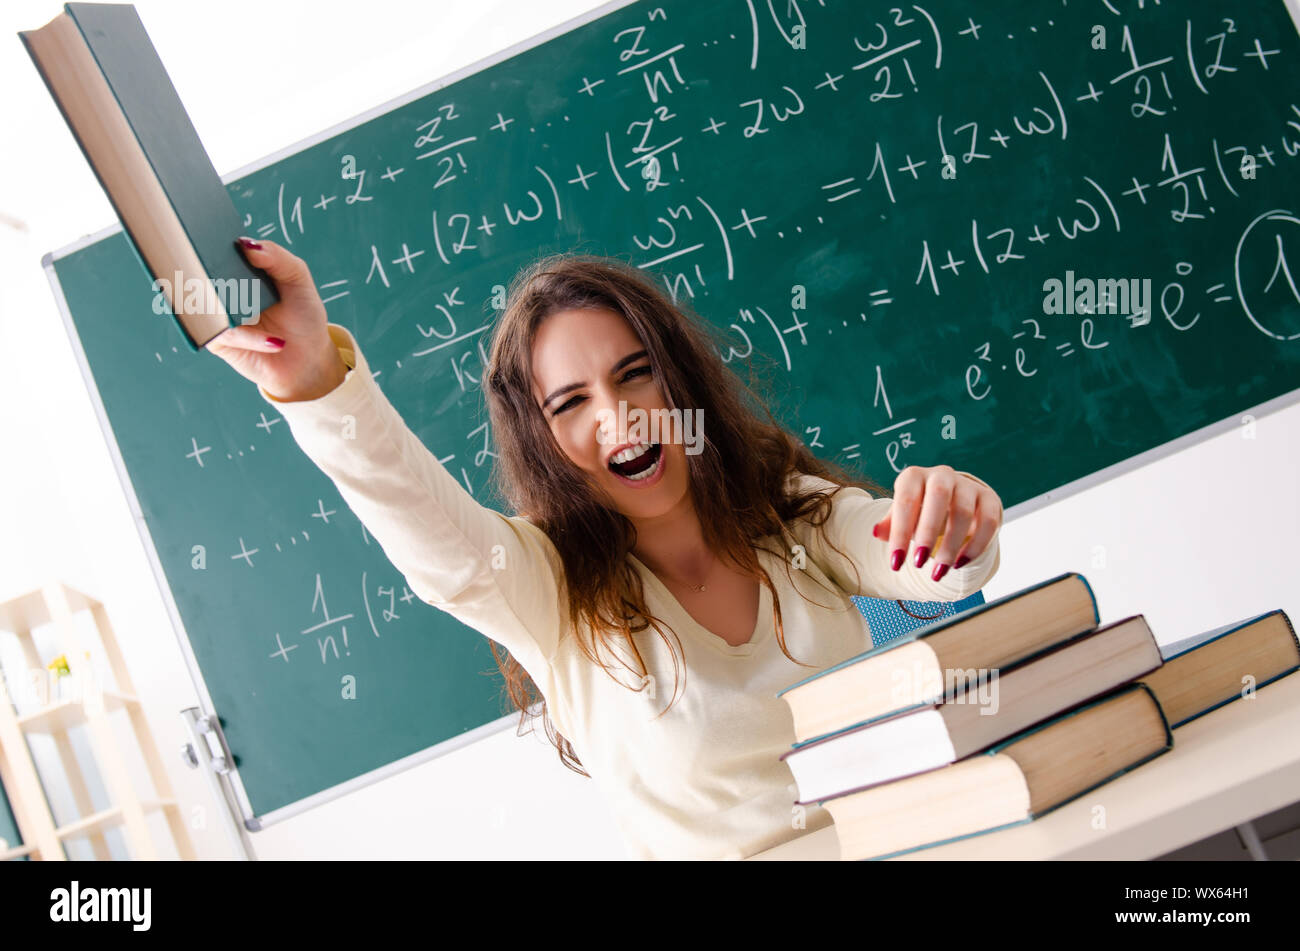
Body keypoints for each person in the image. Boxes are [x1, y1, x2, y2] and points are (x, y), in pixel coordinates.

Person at [207, 235, 1005, 860]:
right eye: (571, 402)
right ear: (544, 439)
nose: (618, 417)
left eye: (635, 375)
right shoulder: (549, 591)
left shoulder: (793, 513)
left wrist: (954, 523)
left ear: (679, 381)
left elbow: (905, 548)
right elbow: (436, 541)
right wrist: (315, 379)